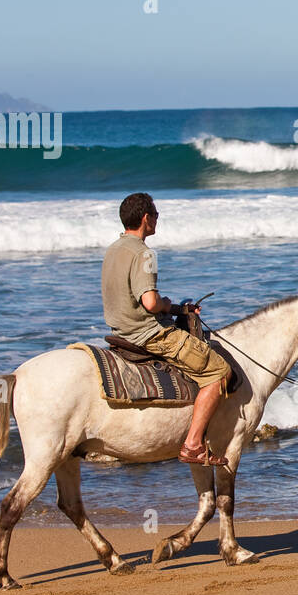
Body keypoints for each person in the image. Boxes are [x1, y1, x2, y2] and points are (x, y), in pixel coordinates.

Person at [102, 192, 232, 466]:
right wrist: (164, 305)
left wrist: (173, 309)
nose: (157, 220)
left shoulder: (113, 250)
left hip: (121, 330)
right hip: (149, 334)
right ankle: (193, 445)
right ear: (146, 218)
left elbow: (133, 297)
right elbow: (149, 302)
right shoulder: (144, 253)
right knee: (219, 372)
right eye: (156, 215)